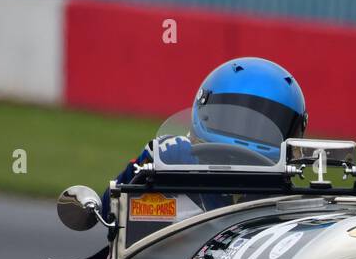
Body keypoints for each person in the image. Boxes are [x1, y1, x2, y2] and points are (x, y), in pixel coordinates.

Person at [114, 56, 307, 185]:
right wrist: (144, 166)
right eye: (234, 117)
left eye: (265, 126)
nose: (247, 131)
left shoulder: (289, 204)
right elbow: (110, 212)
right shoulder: (173, 158)